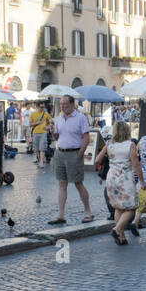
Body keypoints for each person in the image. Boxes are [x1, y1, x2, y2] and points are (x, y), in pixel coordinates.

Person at [48, 95, 93, 224]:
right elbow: (57, 137)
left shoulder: (80, 118)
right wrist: (52, 132)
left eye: (65, 104)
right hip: (60, 153)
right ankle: (61, 215)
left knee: (78, 183)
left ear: (72, 104)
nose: (62, 106)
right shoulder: (59, 118)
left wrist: (80, 153)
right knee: (62, 183)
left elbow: (86, 137)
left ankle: (88, 212)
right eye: (61, 104)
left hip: (74, 153)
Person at [97, 121, 143, 245]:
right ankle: (117, 229)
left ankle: (121, 236)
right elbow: (136, 164)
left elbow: (97, 160)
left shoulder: (109, 144)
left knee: (118, 207)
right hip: (125, 179)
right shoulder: (130, 145)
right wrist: (142, 181)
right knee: (131, 207)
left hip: (112, 178)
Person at [29, 102, 51, 168]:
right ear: (37, 107)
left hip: (43, 133)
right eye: (41, 107)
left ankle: (41, 162)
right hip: (35, 133)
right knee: (36, 149)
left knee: (42, 148)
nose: (43, 108)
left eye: (43, 107)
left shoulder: (46, 114)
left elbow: (51, 122)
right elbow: (30, 124)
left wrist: (48, 127)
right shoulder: (33, 114)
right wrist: (36, 123)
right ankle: (39, 161)